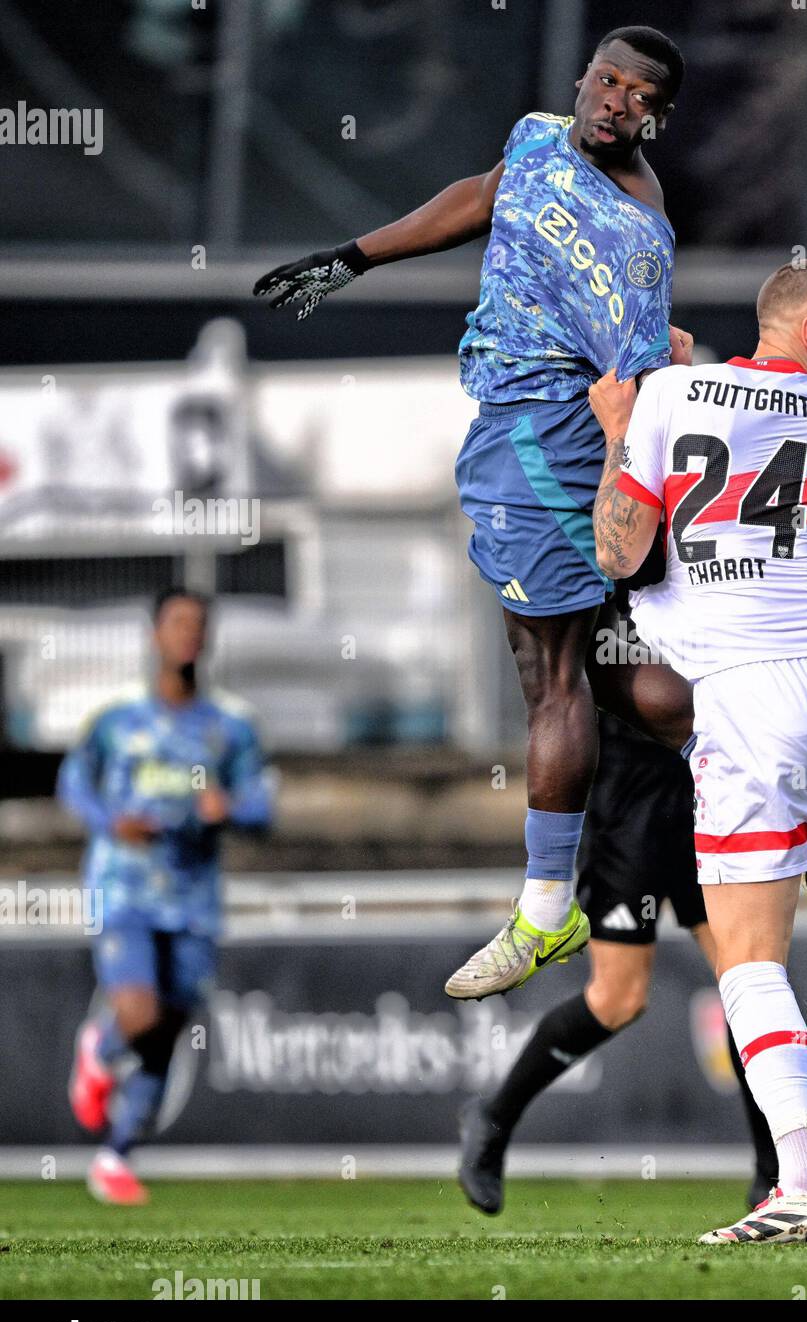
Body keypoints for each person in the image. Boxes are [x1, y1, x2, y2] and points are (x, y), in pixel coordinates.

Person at [253, 25, 696, 1002]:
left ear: (657, 117)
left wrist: (637, 466)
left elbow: (637, 383)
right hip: (510, 428)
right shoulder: (541, 135)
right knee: (610, 665)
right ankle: (748, 756)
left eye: (639, 94)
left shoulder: (633, 233)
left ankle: (546, 910)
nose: (615, 99)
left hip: (551, 440)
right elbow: (484, 197)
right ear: (584, 79)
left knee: (552, 674)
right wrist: (353, 257)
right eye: (607, 79)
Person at [586, 259, 807, 1244]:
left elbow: (620, 550)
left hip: (749, 693)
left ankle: (804, 1182)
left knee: (748, 954)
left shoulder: (667, 397)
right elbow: (772, 418)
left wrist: (624, 422)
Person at [458, 593, 779, 1216]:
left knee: (751, 981)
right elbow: (555, 689)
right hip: (623, 814)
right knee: (619, 997)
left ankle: (777, 1174)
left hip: (706, 799)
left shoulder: (707, 566)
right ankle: (491, 1122)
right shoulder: (592, 572)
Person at [61, 589, 273, 1204]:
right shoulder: (116, 718)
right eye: (177, 622)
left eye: (199, 625)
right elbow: (72, 781)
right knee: (139, 1015)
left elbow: (265, 805)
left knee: (166, 1030)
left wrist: (230, 807)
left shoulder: (230, 725)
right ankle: (98, 1050)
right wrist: (108, 820)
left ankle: (114, 1157)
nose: (188, 634)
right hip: (123, 884)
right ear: (155, 634)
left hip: (194, 897)